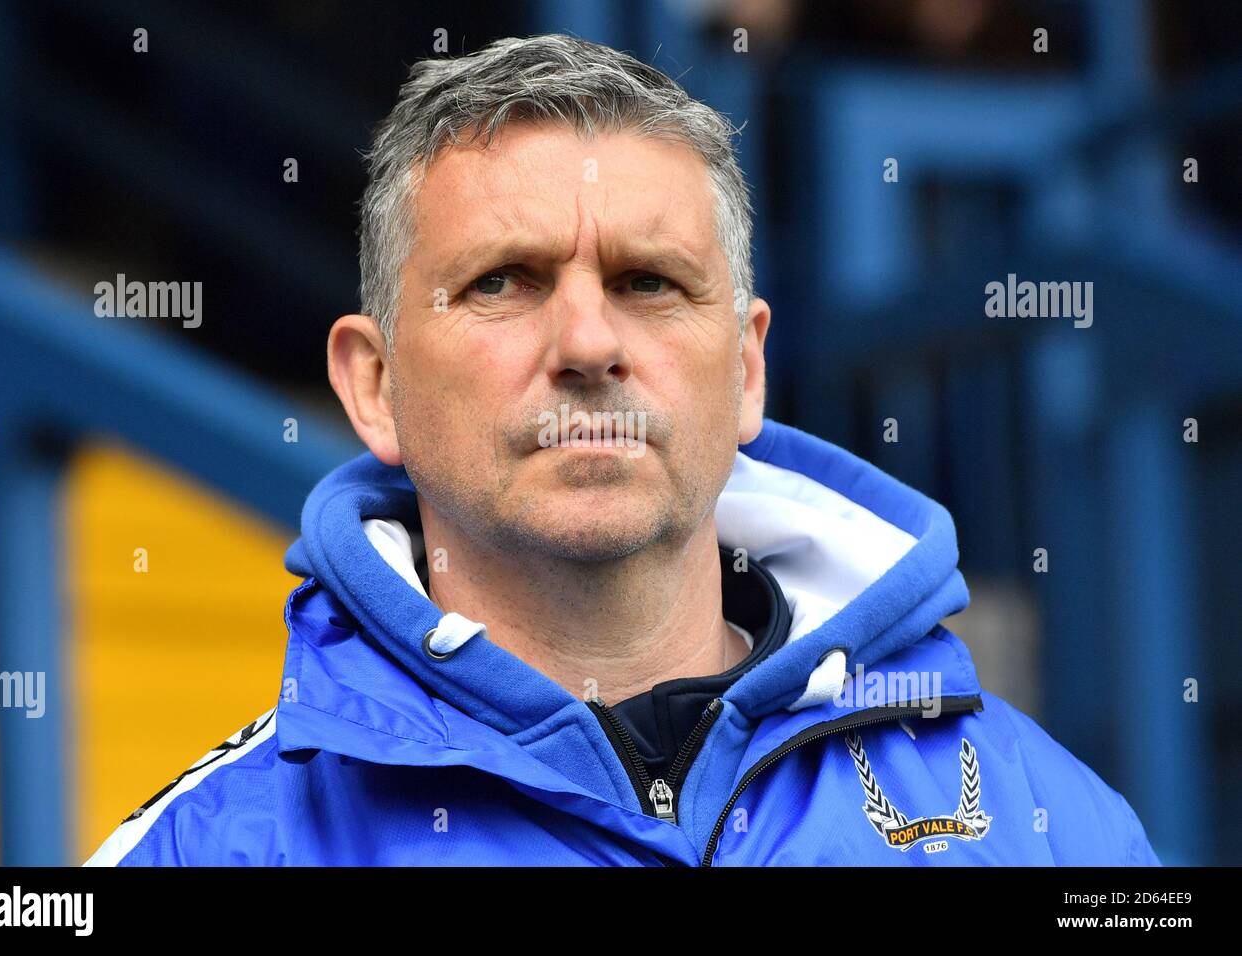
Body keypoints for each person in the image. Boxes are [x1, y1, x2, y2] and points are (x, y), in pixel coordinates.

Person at [85, 33, 1159, 866]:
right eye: (504, 280)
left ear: (745, 369)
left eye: (649, 281)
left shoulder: (1052, 826)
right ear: (375, 383)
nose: (589, 343)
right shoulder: (207, 847)